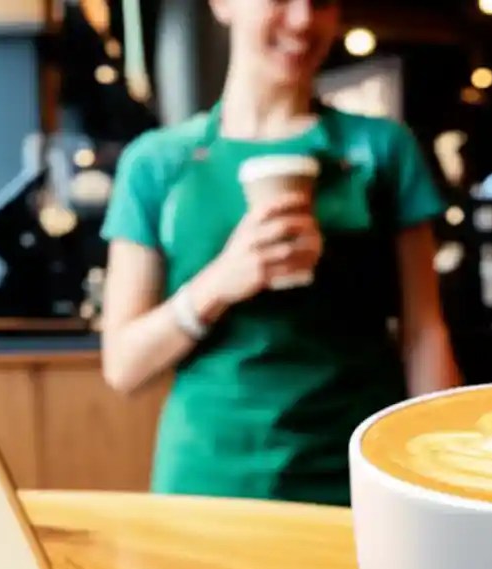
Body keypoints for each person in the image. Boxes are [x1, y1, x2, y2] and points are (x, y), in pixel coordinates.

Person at [99, 0, 461, 506]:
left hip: (356, 479)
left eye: (322, 2)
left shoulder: (383, 150)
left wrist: (445, 484)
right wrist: (220, 282)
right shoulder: (156, 164)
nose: (302, 20)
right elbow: (124, 365)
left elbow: (424, 333)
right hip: (207, 483)